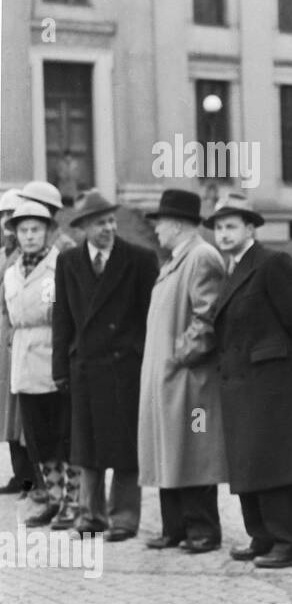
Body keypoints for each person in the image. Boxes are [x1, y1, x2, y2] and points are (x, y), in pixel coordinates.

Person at [208, 193, 292, 568]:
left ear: (250, 228)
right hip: (241, 383)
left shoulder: (272, 263)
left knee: (274, 464)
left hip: (270, 381)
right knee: (249, 463)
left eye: (231, 226)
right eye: (219, 228)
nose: (223, 234)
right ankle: (262, 536)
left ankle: (291, 543)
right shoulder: (234, 268)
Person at [52, 190, 158, 541]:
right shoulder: (68, 262)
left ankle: (125, 517)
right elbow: (63, 319)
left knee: (126, 445)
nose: (109, 228)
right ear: (83, 227)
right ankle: (91, 515)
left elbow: (149, 317)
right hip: (85, 367)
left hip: (125, 367)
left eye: (111, 221)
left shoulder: (140, 259)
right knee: (88, 446)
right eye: (100, 223)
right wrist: (60, 368)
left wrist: (140, 355)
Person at [138, 189, 227, 552]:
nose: (157, 230)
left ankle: (202, 529)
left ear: (175, 224)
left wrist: (179, 355)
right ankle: (175, 527)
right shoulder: (177, 259)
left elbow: (207, 316)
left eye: (160, 223)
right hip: (170, 380)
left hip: (191, 382)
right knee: (169, 452)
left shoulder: (201, 257)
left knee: (194, 453)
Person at [4, 201, 78, 527]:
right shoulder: (11, 271)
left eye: (36, 229)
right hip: (23, 358)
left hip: (51, 355)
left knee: (64, 435)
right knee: (38, 438)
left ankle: (74, 501)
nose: (30, 236)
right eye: (23, 230)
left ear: (47, 232)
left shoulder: (59, 266)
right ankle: (53, 496)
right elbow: (9, 313)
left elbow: (64, 310)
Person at [0, 188, 40, 499]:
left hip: (25, 340)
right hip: (7, 340)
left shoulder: (29, 259)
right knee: (10, 414)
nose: (5, 224)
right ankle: (20, 475)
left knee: (25, 414)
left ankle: (33, 480)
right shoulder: (6, 256)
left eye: (9, 218)